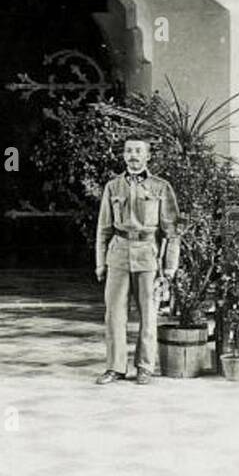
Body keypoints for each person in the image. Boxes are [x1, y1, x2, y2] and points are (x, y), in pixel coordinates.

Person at [94, 133, 181, 386]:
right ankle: (115, 367)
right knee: (114, 315)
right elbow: (103, 228)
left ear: (148, 156)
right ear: (123, 155)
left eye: (138, 151)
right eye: (128, 151)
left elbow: (172, 231)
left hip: (148, 255)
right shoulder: (113, 186)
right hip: (118, 255)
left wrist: (170, 268)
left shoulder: (161, 187)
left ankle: (145, 367)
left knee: (149, 315)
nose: (133, 156)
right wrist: (100, 262)